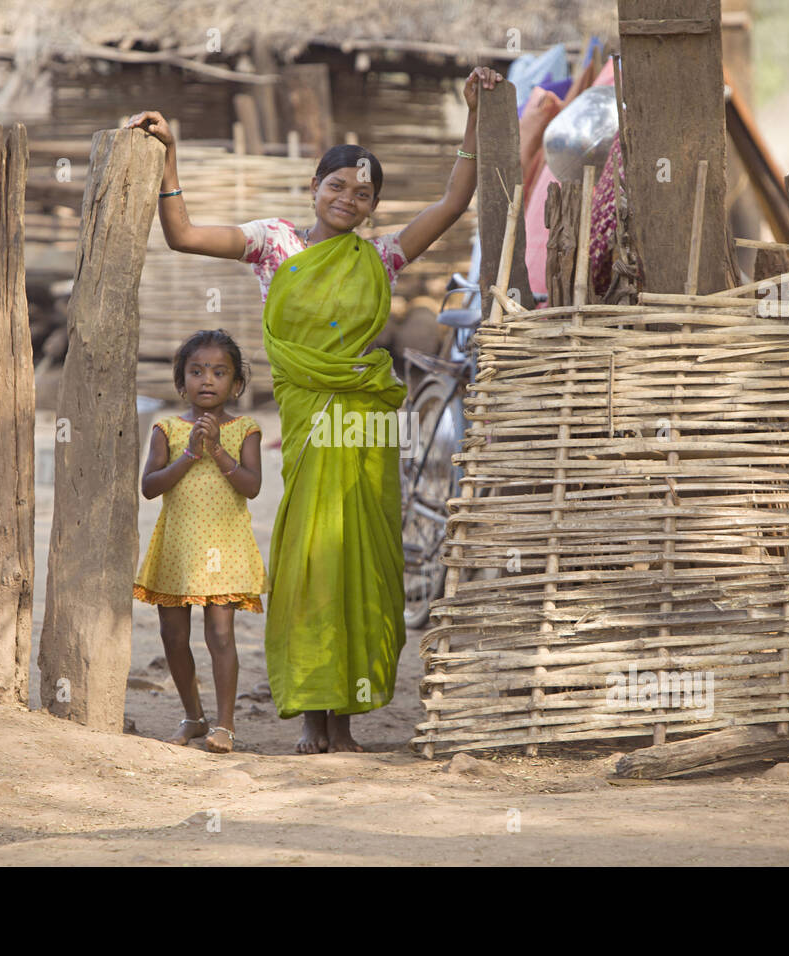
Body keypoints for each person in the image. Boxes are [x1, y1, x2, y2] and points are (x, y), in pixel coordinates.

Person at [125, 65, 505, 753]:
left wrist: (474, 113)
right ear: (314, 188)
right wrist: (170, 159)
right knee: (310, 562)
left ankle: (347, 722)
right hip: (308, 428)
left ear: (372, 208)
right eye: (337, 186)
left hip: (362, 430)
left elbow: (453, 202)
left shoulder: (381, 257)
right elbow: (182, 235)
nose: (348, 199)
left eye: (363, 194)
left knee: (361, 561)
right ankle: (310, 717)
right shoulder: (276, 244)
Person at [134, 330, 265, 754]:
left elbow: (251, 487)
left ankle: (224, 724)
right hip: (177, 546)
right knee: (173, 635)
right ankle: (193, 716)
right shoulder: (167, 429)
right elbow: (150, 487)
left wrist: (216, 450)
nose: (207, 380)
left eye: (219, 372)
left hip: (223, 548)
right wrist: (190, 453)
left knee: (221, 635)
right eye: (196, 371)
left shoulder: (245, 429)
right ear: (180, 382)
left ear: (236, 385)